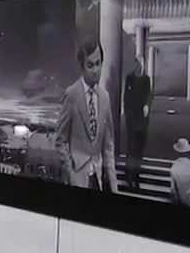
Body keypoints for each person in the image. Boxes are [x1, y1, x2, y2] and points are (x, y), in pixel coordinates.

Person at [57, 39, 118, 192]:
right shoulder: (71, 95)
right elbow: (60, 140)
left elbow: (108, 146)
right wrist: (70, 173)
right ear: (82, 67)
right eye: (90, 65)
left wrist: (114, 185)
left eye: (98, 63)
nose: (96, 70)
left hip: (98, 178)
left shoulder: (105, 97)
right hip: (77, 178)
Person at [122, 55, 153, 190]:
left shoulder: (146, 79)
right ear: (135, 64)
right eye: (138, 63)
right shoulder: (129, 78)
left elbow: (149, 95)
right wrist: (127, 113)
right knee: (132, 147)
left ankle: (136, 174)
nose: (140, 65)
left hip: (143, 118)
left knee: (140, 147)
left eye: (142, 63)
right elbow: (126, 97)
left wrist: (147, 105)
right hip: (132, 118)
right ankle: (129, 175)